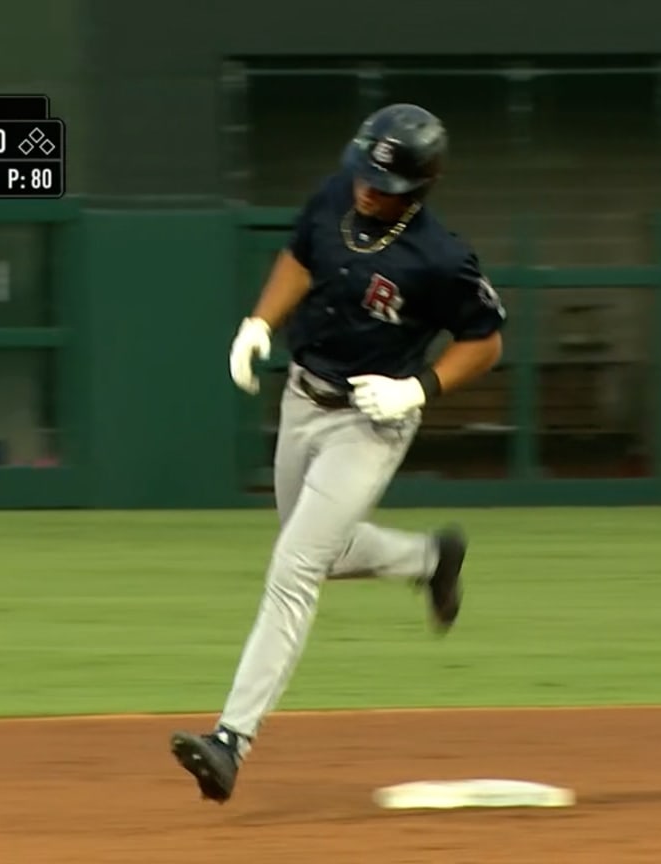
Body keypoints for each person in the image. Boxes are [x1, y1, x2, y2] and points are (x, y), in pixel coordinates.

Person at [169, 103, 508, 804]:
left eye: (383, 185)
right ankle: (428, 559)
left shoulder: (440, 258)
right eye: (364, 174)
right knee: (314, 548)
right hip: (302, 399)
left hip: (370, 421)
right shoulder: (335, 194)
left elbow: (486, 342)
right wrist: (258, 323)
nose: (365, 190)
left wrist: (418, 388)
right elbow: (300, 255)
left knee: (294, 568)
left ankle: (231, 739)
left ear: (421, 187)